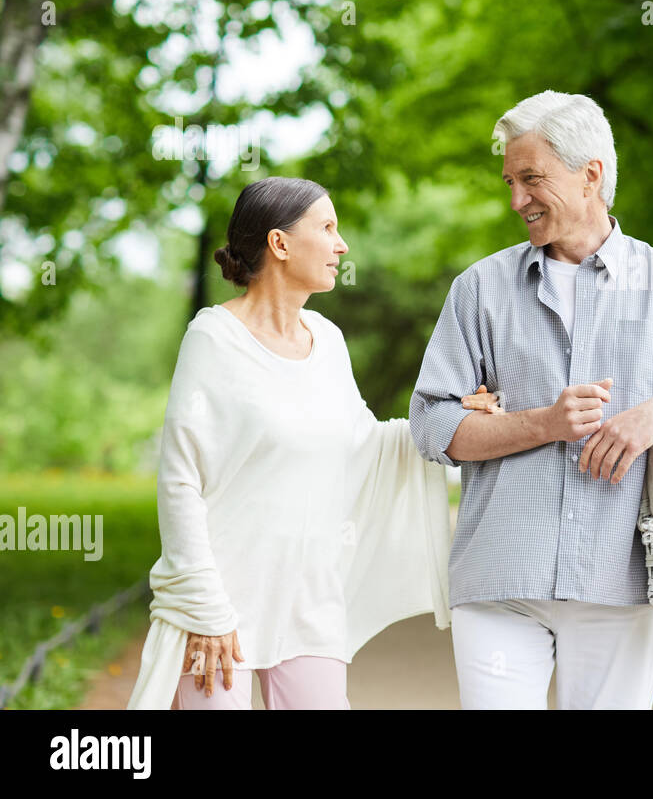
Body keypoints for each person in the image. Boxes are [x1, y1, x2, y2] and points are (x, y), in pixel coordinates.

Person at [409, 90, 653, 709]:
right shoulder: (478, 290)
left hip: (621, 583)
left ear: (591, 176)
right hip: (501, 577)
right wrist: (543, 423)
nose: (515, 201)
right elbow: (431, 423)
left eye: (532, 180)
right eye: (510, 181)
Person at [128, 176, 470, 709]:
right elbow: (179, 480)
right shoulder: (212, 338)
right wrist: (206, 606)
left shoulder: (327, 340)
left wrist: (452, 418)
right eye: (328, 228)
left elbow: (363, 444)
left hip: (309, 604)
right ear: (279, 244)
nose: (342, 245)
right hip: (219, 608)